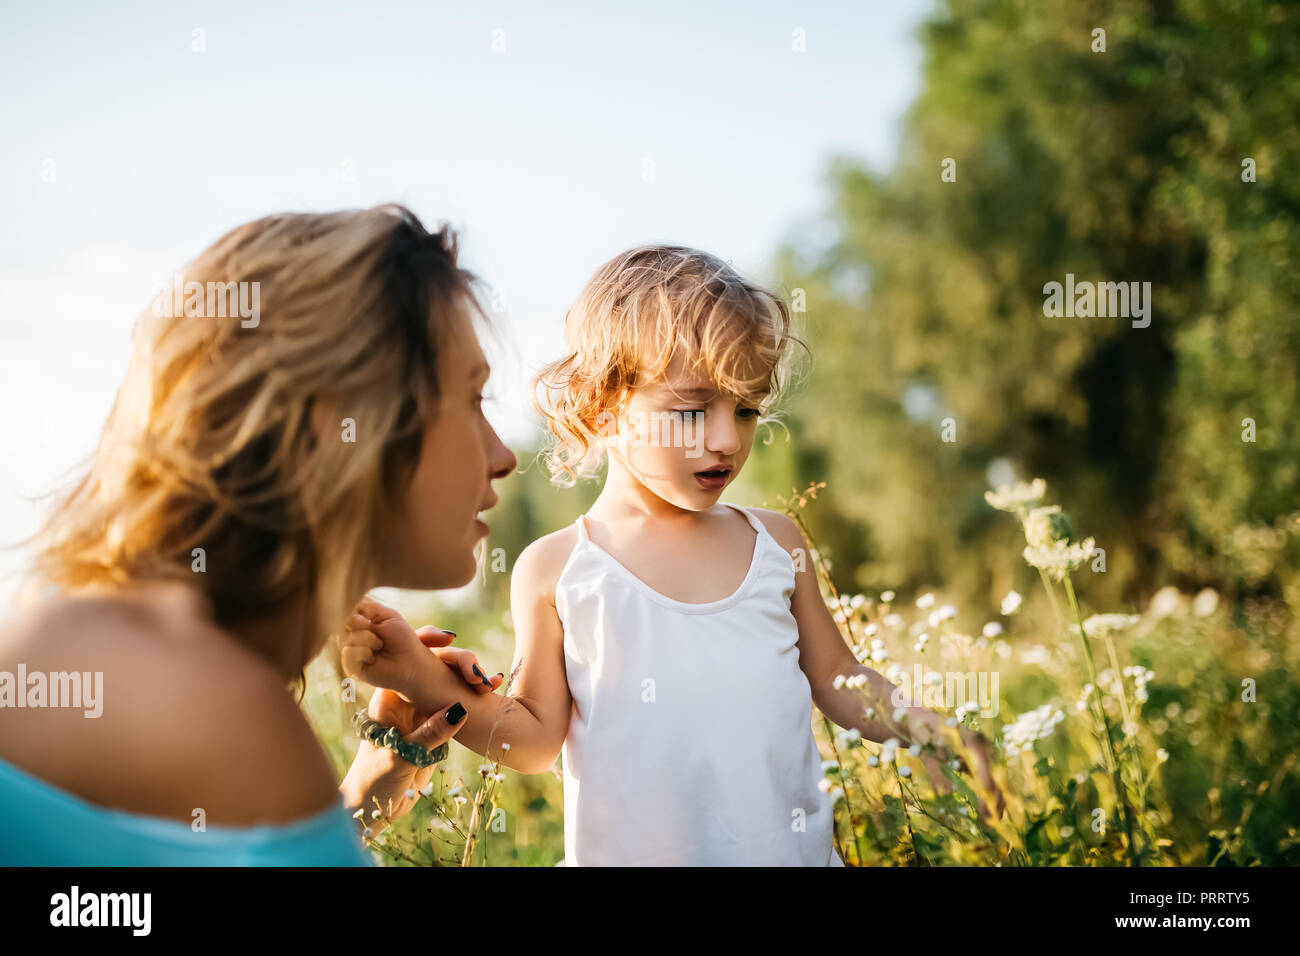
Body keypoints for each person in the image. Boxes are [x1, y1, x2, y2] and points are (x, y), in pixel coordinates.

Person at [339, 244, 1005, 865]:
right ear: (601, 408)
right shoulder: (559, 567)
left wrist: (931, 730)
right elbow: (536, 737)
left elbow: (841, 680)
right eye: (690, 412)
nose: (725, 440)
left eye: (746, 410)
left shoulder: (776, 543)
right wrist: (424, 680)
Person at [0, 205, 515, 865]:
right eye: (473, 400)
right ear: (342, 425)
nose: (502, 454)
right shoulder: (228, 715)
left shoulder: (90, 642)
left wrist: (351, 809)